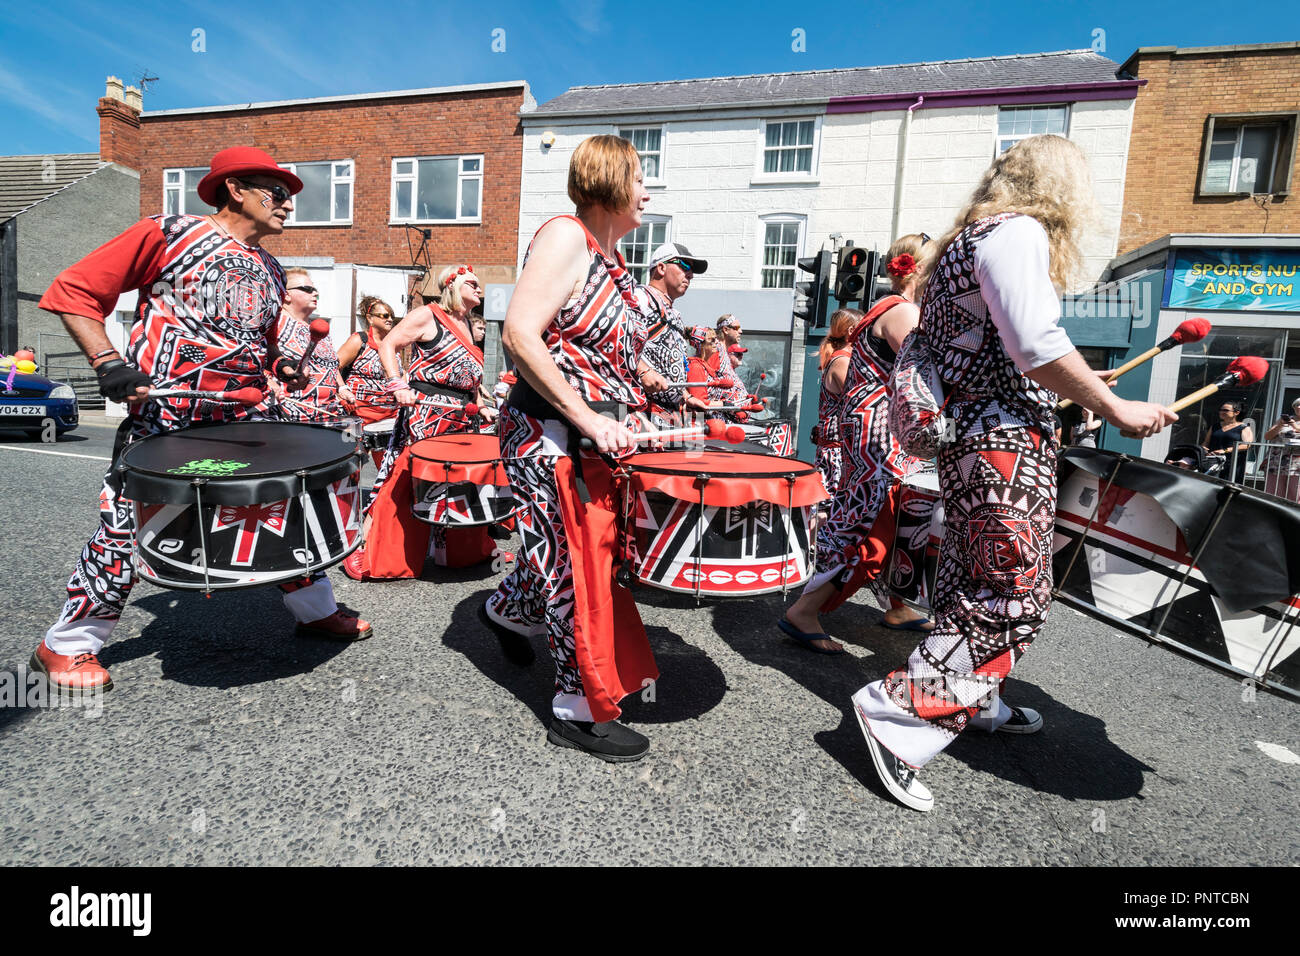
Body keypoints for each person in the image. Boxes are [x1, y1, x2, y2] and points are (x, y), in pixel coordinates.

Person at [850, 134, 1176, 812]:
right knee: (1013, 596)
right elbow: (1034, 343)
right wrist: (1113, 404)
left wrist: (1076, 389)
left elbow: (999, 351)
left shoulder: (966, 242)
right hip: (1000, 445)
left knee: (974, 582)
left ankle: (976, 701)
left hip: (973, 441)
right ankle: (898, 715)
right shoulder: (1017, 232)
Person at [32, 146, 374, 692]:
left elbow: (256, 338)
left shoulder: (269, 266)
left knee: (287, 508)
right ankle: (66, 644)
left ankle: (314, 610)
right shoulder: (167, 232)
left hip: (245, 416)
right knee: (127, 523)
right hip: (168, 413)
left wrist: (280, 364)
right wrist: (108, 362)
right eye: (278, 192)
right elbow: (74, 291)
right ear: (235, 188)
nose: (288, 203)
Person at [484, 134, 670, 762]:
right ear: (611, 180)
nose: (647, 191)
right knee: (571, 566)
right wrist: (590, 418)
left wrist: (624, 416)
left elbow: (595, 358)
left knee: (579, 558)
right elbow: (519, 333)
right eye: (641, 177)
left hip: (582, 435)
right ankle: (574, 705)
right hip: (545, 435)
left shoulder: (611, 261)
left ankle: (506, 611)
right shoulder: (566, 234)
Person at [781, 236, 935, 653]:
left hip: (870, 436)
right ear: (920, 269)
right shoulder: (903, 312)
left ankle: (899, 605)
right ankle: (805, 609)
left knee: (890, 519)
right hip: (879, 439)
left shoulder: (881, 310)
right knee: (867, 523)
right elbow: (930, 374)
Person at [344, 264, 497, 579]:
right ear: (453, 286)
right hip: (427, 414)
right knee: (406, 479)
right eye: (473, 283)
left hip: (462, 416)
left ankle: (460, 553)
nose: (479, 288)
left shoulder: (468, 323)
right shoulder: (428, 315)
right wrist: (397, 384)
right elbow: (389, 345)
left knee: (460, 482)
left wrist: (480, 405)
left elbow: (470, 377)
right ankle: (380, 555)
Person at [634, 242, 710, 425]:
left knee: (691, 453)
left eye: (691, 271)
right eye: (684, 266)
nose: (690, 275)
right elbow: (612, 345)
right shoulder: (638, 298)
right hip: (640, 411)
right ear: (661, 267)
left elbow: (668, 367)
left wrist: (685, 396)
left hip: (670, 415)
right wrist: (643, 371)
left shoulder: (675, 314)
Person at [268, 268, 352, 422]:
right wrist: (269, 382)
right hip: (290, 416)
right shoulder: (275, 323)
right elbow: (256, 358)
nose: (315, 293)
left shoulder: (316, 327)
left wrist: (342, 387)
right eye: (307, 289)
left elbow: (330, 365)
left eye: (315, 290)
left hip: (327, 415)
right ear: (286, 294)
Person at [811, 308, 862, 497]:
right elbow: (858, 402)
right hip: (836, 452)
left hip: (834, 448)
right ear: (851, 331)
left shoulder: (840, 358)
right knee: (832, 506)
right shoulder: (843, 362)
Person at [1203, 400, 1252, 483]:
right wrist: (1203, 449)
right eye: (1220, 410)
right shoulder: (1215, 426)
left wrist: (1224, 450)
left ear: (1236, 413)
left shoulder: (1243, 427)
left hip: (1232, 465)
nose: (1221, 412)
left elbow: (1246, 445)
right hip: (1213, 463)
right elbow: (1206, 442)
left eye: (1225, 410)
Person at [1263, 398, 1300, 502]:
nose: (1298, 407)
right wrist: (1280, 425)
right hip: (1276, 462)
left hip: (1297, 466)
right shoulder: (1284, 420)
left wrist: (1295, 427)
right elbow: (1268, 436)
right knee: (1274, 494)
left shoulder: (1293, 423)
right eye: (1296, 405)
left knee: (1295, 496)